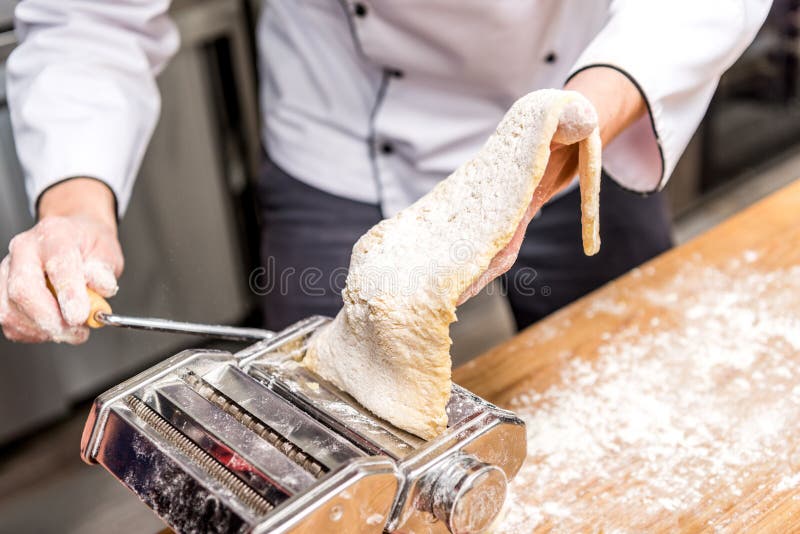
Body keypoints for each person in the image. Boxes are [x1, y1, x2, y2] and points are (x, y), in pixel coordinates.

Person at [0, 1, 771, 344]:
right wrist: (75, 205)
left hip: (586, 95)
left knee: (625, 374)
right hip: (342, 131)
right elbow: (89, 19)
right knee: (324, 437)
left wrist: (565, 133)